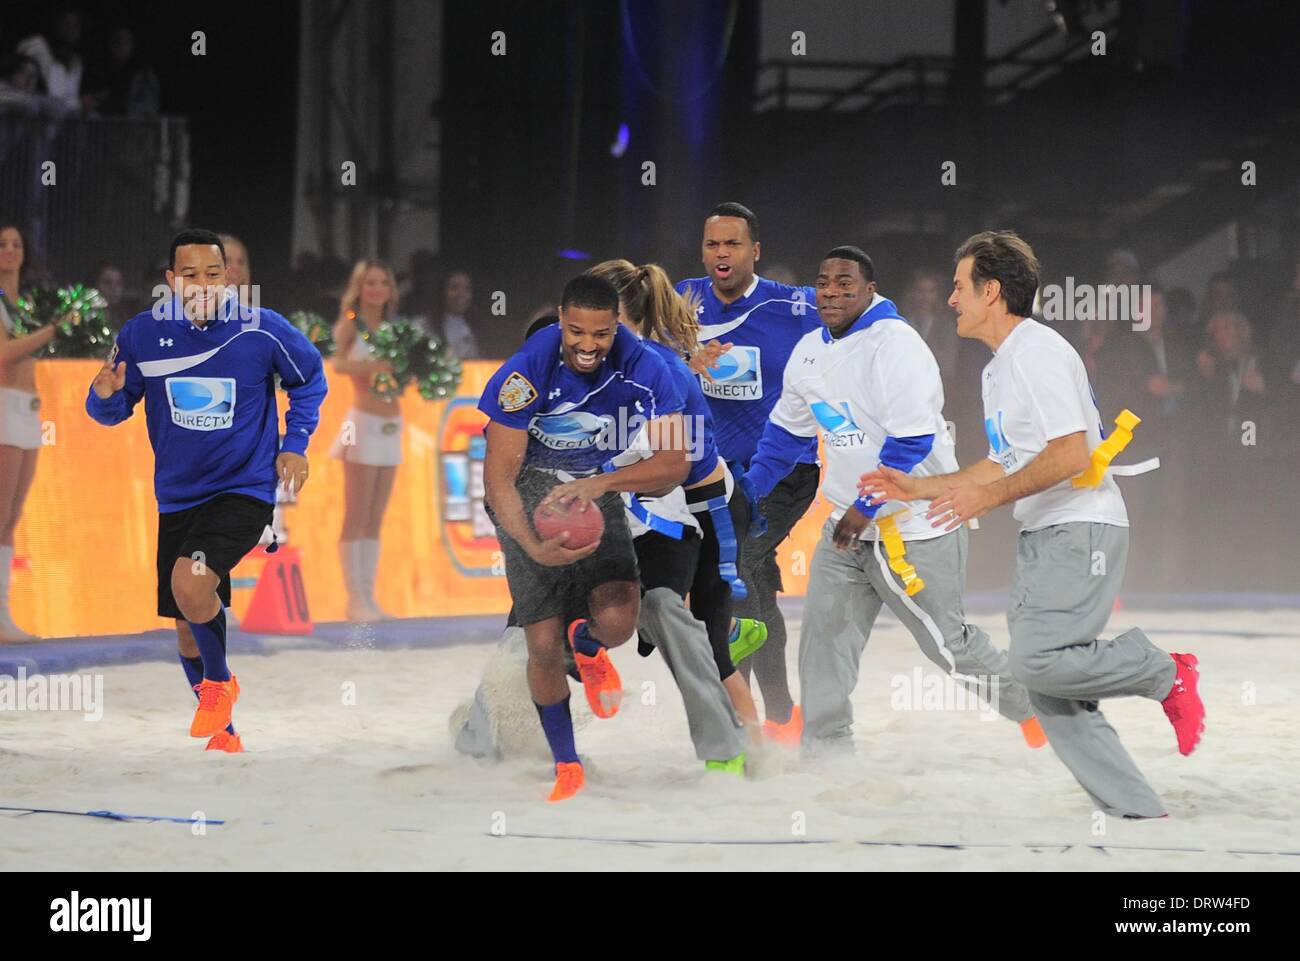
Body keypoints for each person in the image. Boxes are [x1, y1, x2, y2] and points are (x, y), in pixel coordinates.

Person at [860, 230, 1205, 818]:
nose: (949, 299)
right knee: (1046, 687)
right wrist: (920, 487)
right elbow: (1003, 462)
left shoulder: (1037, 352)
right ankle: (1136, 807)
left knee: (1036, 664)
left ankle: (1163, 670)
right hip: (1045, 532)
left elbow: (1071, 454)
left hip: (1082, 525)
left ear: (991, 291)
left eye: (959, 286)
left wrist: (987, 500)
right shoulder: (1000, 369)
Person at [745, 246, 1042, 755]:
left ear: (869, 290)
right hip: (846, 526)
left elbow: (911, 441)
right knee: (823, 647)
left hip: (918, 524)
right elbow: (783, 437)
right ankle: (827, 753)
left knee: (948, 646)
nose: (832, 291)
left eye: (845, 282)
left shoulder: (896, 344)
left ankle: (1038, 712)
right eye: (823, 282)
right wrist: (747, 494)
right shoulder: (808, 351)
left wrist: (865, 507)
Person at [85, 228, 327, 752]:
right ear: (170, 281)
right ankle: (225, 733)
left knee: (191, 585)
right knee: (186, 625)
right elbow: (112, 407)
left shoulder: (262, 329)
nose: (202, 283)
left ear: (229, 277)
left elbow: (310, 379)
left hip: (244, 487)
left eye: (213, 274)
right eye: (189, 274)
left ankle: (219, 687)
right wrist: (101, 396)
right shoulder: (141, 334)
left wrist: (296, 443)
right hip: (177, 496)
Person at [478, 274, 689, 800]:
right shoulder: (524, 373)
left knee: (621, 619)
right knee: (541, 646)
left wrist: (603, 483)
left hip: (596, 485)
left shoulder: (648, 368)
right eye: (576, 333)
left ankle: (590, 644)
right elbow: (498, 478)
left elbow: (674, 462)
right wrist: (531, 544)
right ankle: (566, 765)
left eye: (600, 334)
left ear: (616, 326)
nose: (588, 345)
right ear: (561, 319)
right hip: (528, 489)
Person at [589, 258, 763, 747]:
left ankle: (753, 750)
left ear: (628, 318)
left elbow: (669, 466)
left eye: (606, 322)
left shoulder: (654, 367)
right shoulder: (644, 363)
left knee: (707, 647)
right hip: (678, 506)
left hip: (711, 512)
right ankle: (724, 629)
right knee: (676, 617)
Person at [676, 202, 821, 743]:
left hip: (786, 471)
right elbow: (641, 345)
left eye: (733, 244)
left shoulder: (793, 305)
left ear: (755, 252)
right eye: (713, 244)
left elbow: (869, 305)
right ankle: (783, 715)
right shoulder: (683, 301)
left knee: (740, 570)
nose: (721, 253)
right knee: (754, 583)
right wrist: (683, 363)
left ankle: (749, 711)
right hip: (716, 475)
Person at [0, 223, 72, 642]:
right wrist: (53, 330)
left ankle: (5, 615)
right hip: (4, 407)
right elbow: (4, 355)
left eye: (16, 244)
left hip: (28, 409)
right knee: (0, 513)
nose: (10, 251)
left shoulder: (24, 302)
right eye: (2, 245)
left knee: (12, 517)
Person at [329, 260, 404, 621]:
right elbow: (338, 365)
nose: (376, 289)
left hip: (391, 424)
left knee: (376, 515)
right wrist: (376, 367)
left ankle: (369, 596)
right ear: (359, 287)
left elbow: (408, 372)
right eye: (369, 283)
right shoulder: (351, 323)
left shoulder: (397, 329)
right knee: (356, 512)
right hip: (362, 423)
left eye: (382, 283)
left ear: (391, 289)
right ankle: (353, 597)